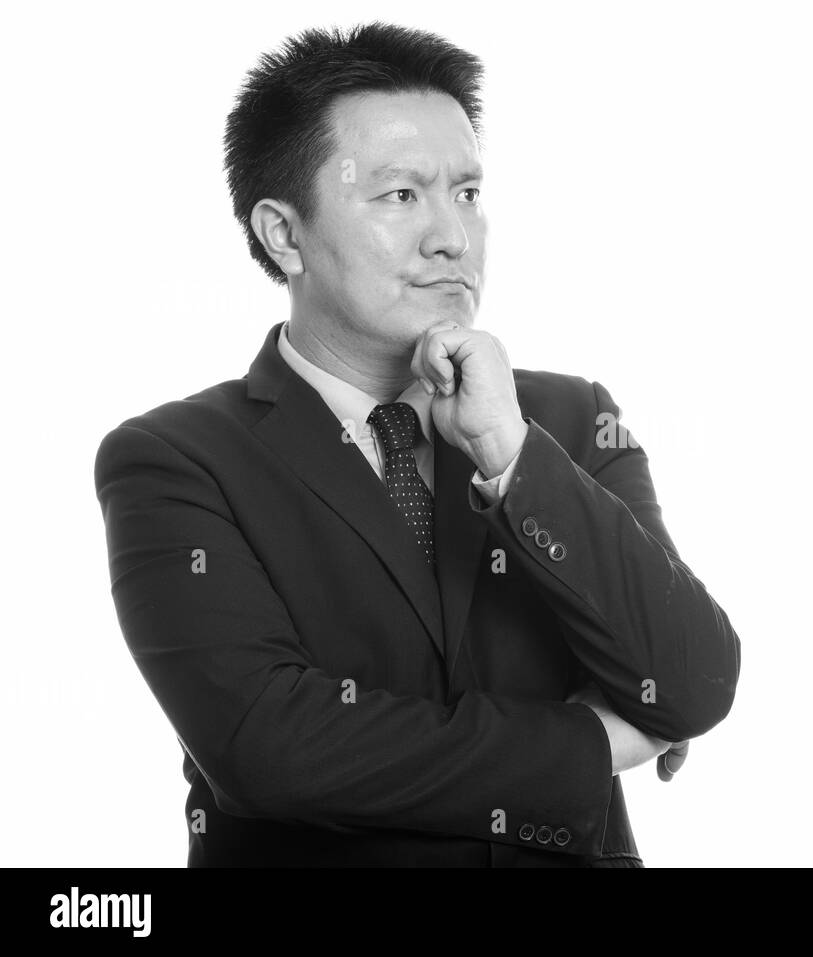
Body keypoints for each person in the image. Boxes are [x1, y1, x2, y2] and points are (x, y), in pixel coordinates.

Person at [92, 22, 741, 867]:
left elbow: (691, 680)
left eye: (467, 193)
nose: (452, 238)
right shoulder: (176, 459)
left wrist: (510, 452)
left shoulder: (569, 420)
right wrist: (587, 741)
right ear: (284, 234)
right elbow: (272, 751)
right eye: (402, 196)